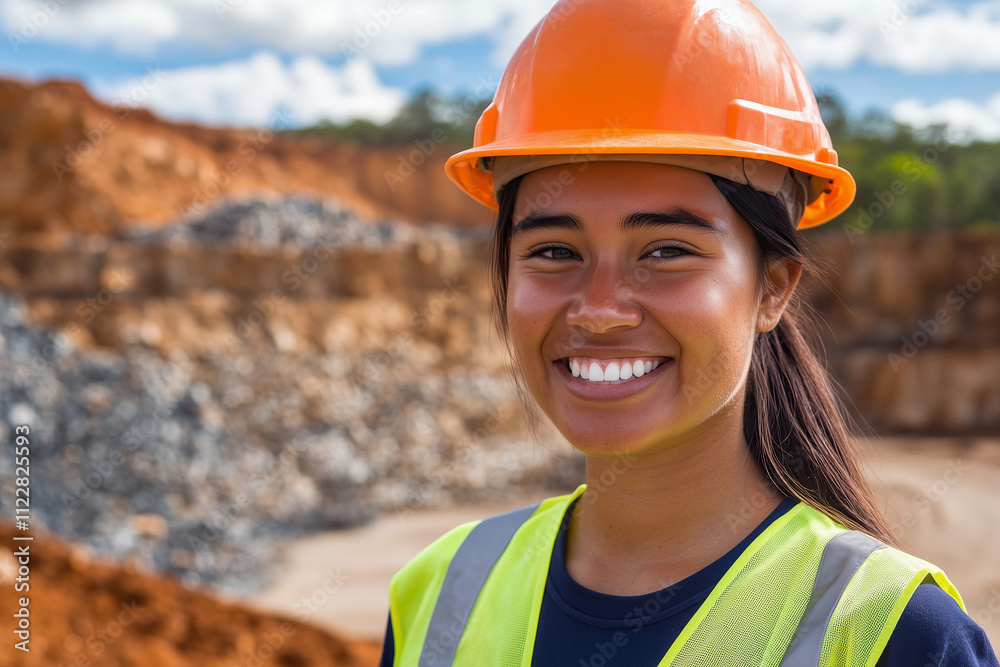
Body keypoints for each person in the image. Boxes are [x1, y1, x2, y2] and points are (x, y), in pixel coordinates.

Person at [377, 0, 999, 665]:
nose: (598, 309)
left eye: (666, 250)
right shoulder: (439, 593)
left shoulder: (891, 633)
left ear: (774, 287)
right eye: (555, 251)